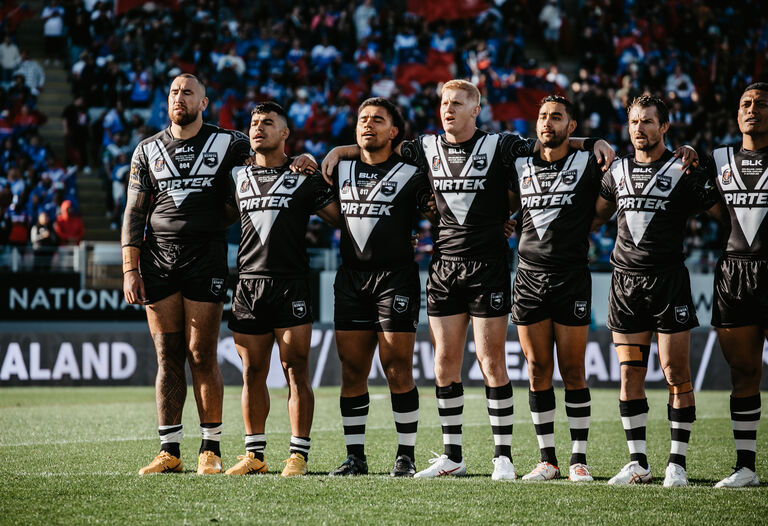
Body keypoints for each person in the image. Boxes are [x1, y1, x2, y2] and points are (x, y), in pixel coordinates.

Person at [323, 79, 614, 479]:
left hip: (488, 267)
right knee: (444, 364)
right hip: (444, 268)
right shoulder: (423, 147)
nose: (449, 108)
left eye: (458, 103)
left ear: (475, 110)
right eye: (444, 102)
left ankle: (503, 457)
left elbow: (548, 143)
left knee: (491, 360)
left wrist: (591, 141)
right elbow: (379, 149)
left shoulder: (499, 144)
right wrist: (341, 150)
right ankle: (453, 456)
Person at [122, 74, 250, 476]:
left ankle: (210, 448)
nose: (180, 98)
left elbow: (270, 158)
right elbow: (135, 212)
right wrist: (130, 267)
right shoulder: (146, 150)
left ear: (204, 102)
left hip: (205, 258)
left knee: (201, 353)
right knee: (167, 356)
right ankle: (169, 450)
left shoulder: (231, 143)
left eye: (188, 92)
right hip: (157, 262)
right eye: (174, 92)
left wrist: (307, 159)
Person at [593, 95, 716, 487]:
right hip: (625, 283)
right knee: (630, 375)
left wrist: (697, 158)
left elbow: (720, 210)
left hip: (669, 282)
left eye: (648, 122)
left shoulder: (682, 168)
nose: (639, 129)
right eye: (634, 122)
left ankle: (676, 464)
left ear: (664, 127)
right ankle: (638, 463)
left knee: (675, 372)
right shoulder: (616, 171)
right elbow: (593, 216)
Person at [223, 102, 337, 477]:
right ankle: (254, 455)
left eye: (268, 123)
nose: (259, 127)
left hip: (292, 285)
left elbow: (342, 216)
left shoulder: (304, 174)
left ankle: (298, 455)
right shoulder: (236, 174)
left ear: (285, 133)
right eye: (254, 122)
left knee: (295, 370)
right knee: (252, 372)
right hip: (248, 286)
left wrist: (316, 165)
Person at [327, 97, 434, 478]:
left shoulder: (412, 172)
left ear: (394, 132)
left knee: (396, 367)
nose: (368, 124)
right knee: (352, 369)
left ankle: (405, 455)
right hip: (351, 279)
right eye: (362, 119)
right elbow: (321, 207)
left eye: (378, 120)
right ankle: (355, 456)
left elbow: (440, 211)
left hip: (395, 279)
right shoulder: (339, 170)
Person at [509, 95, 603, 482]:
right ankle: (547, 460)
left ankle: (578, 459)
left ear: (572, 126)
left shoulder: (588, 162)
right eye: (543, 117)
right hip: (528, 278)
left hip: (571, 277)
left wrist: (594, 143)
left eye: (557, 117)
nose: (548, 123)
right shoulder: (517, 162)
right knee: (537, 371)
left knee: (574, 370)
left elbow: (611, 199)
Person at [710, 83, 768, 488]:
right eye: (746, 104)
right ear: (737, 114)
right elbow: (710, 207)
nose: (753, 110)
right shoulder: (718, 159)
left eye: (762, 104)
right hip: (735, 273)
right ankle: (745, 467)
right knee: (743, 372)